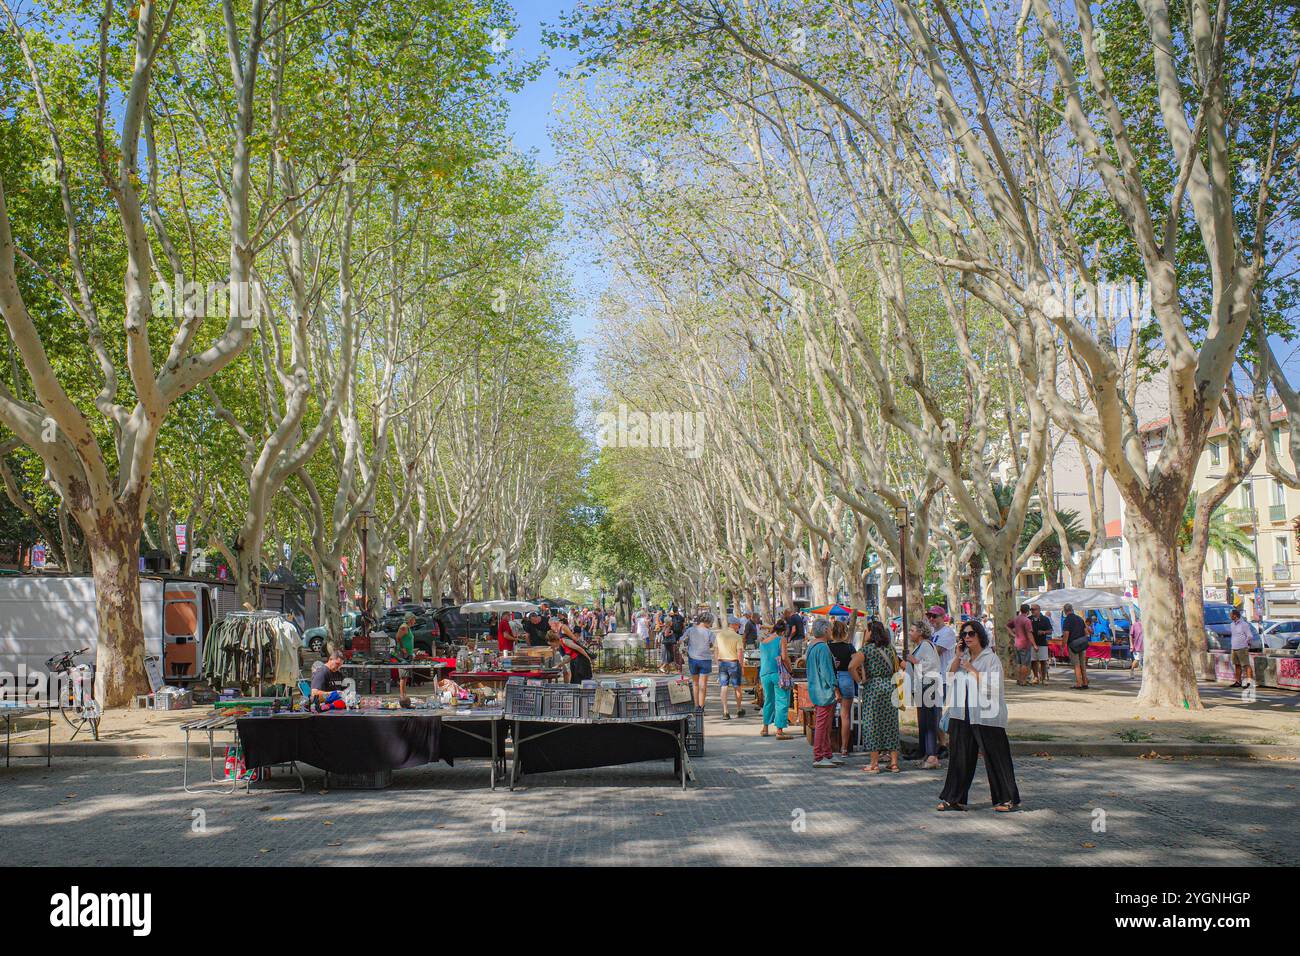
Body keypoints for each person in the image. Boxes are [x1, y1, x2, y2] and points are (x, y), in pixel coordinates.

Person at [937, 620, 1021, 812]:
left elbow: (995, 686)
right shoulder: (963, 658)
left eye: (971, 634)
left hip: (986, 714)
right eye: (964, 634)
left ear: (980, 636)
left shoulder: (990, 659)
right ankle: (953, 798)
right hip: (962, 713)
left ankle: (1008, 798)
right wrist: (958, 658)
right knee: (959, 757)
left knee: (996, 756)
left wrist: (973, 671)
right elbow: (949, 678)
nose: (967, 637)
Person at [852, 619, 900, 773]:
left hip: (873, 688)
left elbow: (851, 666)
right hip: (890, 687)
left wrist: (860, 681)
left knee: (872, 724)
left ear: (871, 632)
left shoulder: (866, 650)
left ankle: (874, 764)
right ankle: (894, 764)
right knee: (891, 723)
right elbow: (901, 665)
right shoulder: (890, 648)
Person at [906, 619, 943, 769]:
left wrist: (914, 661)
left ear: (920, 632)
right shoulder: (922, 646)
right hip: (922, 687)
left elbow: (932, 664)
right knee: (924, 721)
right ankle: (926, 754)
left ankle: (932, 755)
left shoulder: (926, 646)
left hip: (928, 687)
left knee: (929, 721)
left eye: (913, 630)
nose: (910, 633)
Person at [805, 618, 842, 767]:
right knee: (823, 724)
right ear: (826, 630)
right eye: (830, 629)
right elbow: (827, 672)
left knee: (825, 723)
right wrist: (835, 688)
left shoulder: (812, 646)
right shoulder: (823, 647)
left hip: (816, 688)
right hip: (824, 691)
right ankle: (819, 756)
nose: (832, 631)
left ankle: (826, 753)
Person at [759, 619, 795, 740]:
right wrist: (790, 670)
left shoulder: (763, 641)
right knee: (781, 699)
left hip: (764, 673)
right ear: (784, 631)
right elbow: (784, 657)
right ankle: (779, 731)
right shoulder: (781, 639)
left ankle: (765, 728)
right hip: (777, 673)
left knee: (768, 700)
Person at [827, 619, 858, 757]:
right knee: (845, 716)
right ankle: (844, 748)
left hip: (831, 678)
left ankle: (827, 746)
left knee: (829, 715)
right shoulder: (850, 647)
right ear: (845, 632)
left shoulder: (827, 647)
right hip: (847, 678)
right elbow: (856, 663)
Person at [714, 615, 746, 719]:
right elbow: (740, 653)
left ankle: (725, 711)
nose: (738, 627)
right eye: (738, 625)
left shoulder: (719, 635)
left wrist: (717, 663)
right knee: (737, 687)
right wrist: (742, 666)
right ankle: (739, 709)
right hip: (733, 663)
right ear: (733, 625)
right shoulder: (737, 636)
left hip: (722, 662)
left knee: (724, 687)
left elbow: (716, 650)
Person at [683, 612, 716, 708]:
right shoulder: (709, 632)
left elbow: (681, 639)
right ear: (707, 621)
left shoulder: (690, 630)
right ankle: (701, 707)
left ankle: (696, 705)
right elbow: (716, 645)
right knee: (703, 685)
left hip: (693, 659)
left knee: (695, 683)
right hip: (705, 660)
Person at [1061, 602, 1090, 689]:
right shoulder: (1080, 618)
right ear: (1072, 609)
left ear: (1065, 611)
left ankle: (1078, 683)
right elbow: (1087, 632)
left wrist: (1063, 646)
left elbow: (1066, 634)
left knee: (1076, 664)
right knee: (1082, 664)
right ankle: (1085, 683)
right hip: (1082, 643)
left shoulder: (1067, 620)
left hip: (1073, 644)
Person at [1006, 604, 1034, 686]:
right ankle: (1023, 680)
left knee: (1019, 663)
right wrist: (1034, 644)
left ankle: (1019, 679)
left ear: (1021, 610)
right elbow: (1029, 634)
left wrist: (1013, 634)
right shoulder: (1027, 620)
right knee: (1025, 664)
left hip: (1017, 643)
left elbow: (1007, 626)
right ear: (1028, 611)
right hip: (1025, 644)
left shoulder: (1016, 619)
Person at [1229, 608, 1255, 687]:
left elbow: (1250, 636)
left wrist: (1245, 643)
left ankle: (1249, 682)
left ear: (1235, 615)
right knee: (1237, 665)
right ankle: (1238, 681)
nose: (1230, 617)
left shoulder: (1244, 624)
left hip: (1242, 647)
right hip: (1234, 647)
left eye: (1231, 615)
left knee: (1246, 665)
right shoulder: (1232, 624)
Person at [928, 606, 957, 674]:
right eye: (929, 616)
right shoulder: (931, 632)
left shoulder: (947, 632)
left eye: (934, 616)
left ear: (943, 617)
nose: (931, 618)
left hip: (944, 677)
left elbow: (935, 653)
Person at [1028, 603, 1052, 685]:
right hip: (1031, 644)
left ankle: (1043, 678)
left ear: (1039, 610)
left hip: (1042, 643)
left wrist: (1043, 632)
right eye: (1031, 610)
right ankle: (1035, 677)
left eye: (1034, 609)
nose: (1032, 611)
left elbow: (1050, 631)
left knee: (1043, 661)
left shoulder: (1045, 619)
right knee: (1033, 661)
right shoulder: (1029, 619)